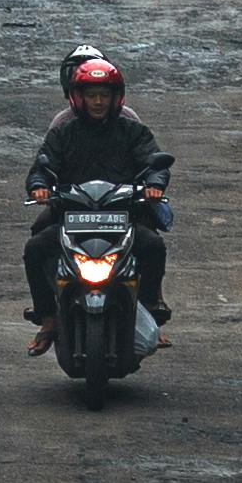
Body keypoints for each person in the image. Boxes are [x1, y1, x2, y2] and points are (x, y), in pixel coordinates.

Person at [24, 45, 172, 350]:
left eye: (104, 95)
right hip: (72, 213)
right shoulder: (62, 130)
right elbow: (42, 166)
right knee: (36, 247)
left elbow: (153, 161)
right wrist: (39, 187)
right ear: (78, 96)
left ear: (115, 96)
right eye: (92, 95)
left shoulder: (132, 128)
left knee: (154, 245)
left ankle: (148, 312)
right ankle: (48, 317)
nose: (98, 101)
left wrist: (154, 184)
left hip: (122, 214)